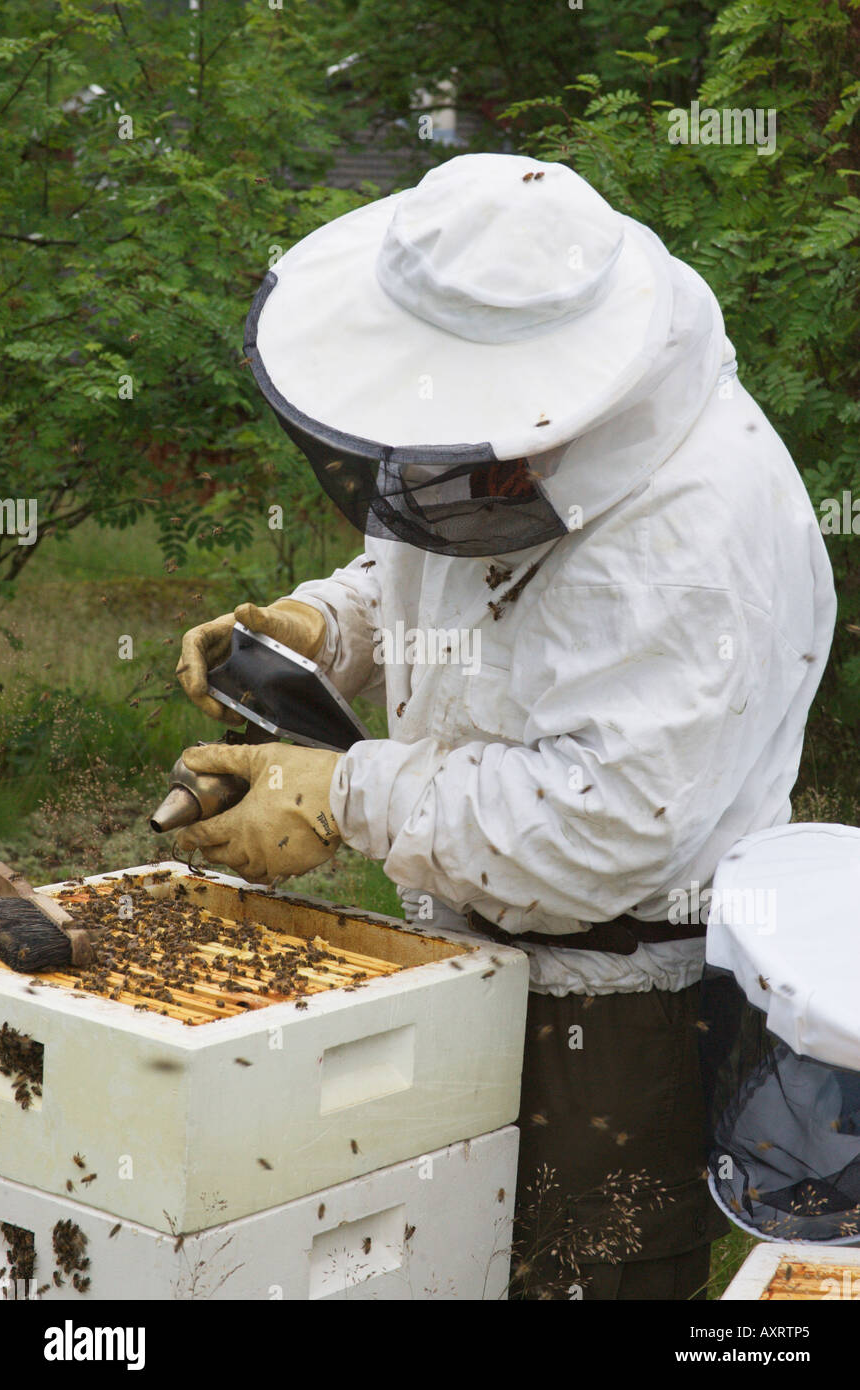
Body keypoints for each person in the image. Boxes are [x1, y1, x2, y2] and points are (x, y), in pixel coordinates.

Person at [174, 153, 836, 1299]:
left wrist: (340, 794)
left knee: (576, 1276)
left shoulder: (689, 541)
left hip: (615, 1007)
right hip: (465, 945)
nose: (447, 459)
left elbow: (598, 826)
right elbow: (434, 557)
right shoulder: (499, 448)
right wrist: (319, 627)